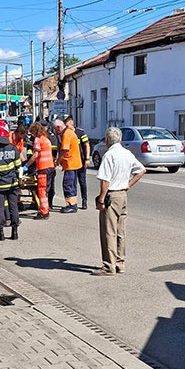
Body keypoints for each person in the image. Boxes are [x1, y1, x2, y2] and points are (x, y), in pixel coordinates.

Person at [93, 127, 146, 276]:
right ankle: (120, 263)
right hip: (122, 195)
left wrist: (101, 199)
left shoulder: (109, 155)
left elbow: (105, 180)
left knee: (109, 231)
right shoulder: (126, 153)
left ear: (107, 140)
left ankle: (109, 265)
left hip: (112, 195)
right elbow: (141, 170)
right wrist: (128, 184)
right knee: (120, 231)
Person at [53, 119, 82, 213]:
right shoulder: (69, 132)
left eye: (55, 129)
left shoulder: (66, 135)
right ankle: (73, 204)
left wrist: (57, 161)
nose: (54, 131)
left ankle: (71, 205)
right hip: (73, 163)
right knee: (71, 184)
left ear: (59, 127)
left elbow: (64, 150)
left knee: (68, 184)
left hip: (70, 163)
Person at [26, 123, 55, 220]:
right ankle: (45, 209)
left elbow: (35, 155)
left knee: (42, 191)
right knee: (46, 190)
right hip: (50, 166)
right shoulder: (46, 139)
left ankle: (44, 212)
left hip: (43, 167)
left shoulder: (38, 140)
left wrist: (26, 165)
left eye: (32, 133)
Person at [64, 116, 90, 209]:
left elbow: (87, 145)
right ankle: (73, 202)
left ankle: (84, 200)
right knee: (72, 183)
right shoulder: (67, 134)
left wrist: (87, 158)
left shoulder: (80, 133)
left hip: (81, 161)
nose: (67, 128)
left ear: (72, 124)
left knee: (82, 182)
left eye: (67, 126)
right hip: (72, 163)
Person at [42, 121, 58, 209]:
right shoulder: (37, 137)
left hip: (49, 165)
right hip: (41, 166)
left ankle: (49, 203)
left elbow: (54, 152)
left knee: (49, 186)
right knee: (43, 186)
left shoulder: (51, 137)